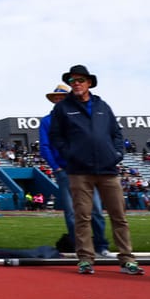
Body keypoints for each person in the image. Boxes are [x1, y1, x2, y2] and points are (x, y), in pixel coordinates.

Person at [47, 64, 143, 276]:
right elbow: (55, 137)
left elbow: (116, 133)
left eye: (80, 80)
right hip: (79, 171)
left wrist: (116, 154)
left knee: (119, 216)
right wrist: (70, 154)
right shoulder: (63, 108)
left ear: (89, 83)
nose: (76, 84)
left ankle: (127, 259)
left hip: (108, 169)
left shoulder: (102, 106)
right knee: (82, 217)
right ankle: (85, 259)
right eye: (72, 81)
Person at [39, 84, 109, 256]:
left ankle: (101, 245)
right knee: (71, 211)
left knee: (96, 209)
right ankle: (80, 246)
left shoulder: (78, 117)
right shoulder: (47, 121)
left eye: (61, 98)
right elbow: (45, 146)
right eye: (56, 98)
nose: (59, 101)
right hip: (64, 169)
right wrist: (56, 167)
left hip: (85, 168)